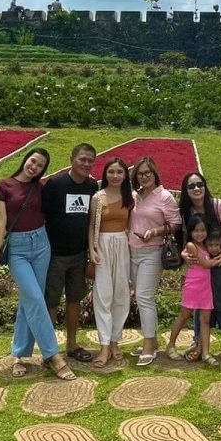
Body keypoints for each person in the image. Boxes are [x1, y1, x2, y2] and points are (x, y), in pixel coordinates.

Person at [0, 147, 75, 380]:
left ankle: (19, 355)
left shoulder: (40, 188)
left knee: (29, 301)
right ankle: (53, 355)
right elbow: (0, 219)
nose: (34, 167)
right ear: (26, 159)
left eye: (40, 165)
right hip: (18, 249)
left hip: (41, 244)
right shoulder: (4, 186)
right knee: (34, 297)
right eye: (33, 161)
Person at [41, 143, 98, 362]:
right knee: (52, 301)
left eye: (90, 161)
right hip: (55, 255)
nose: (86, 164)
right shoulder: (55, 184)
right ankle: (49, 350)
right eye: (82, 159)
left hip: (79, 255)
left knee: (75, 300)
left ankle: (72, 345)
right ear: (72, 158)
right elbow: (42, 214)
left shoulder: (92, 187)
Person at [179, 170, 221, 361]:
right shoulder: (187, 211)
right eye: (191, 186)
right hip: (205, 256)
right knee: (202, 295)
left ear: (205, 186)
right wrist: (184, 253)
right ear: (186, 190)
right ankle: (198, 340)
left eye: (199, 184)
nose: (196, 188)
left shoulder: (217, 204)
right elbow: (187, 238)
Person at [127, 156, 181, 367]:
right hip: (132, 250)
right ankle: (152, 339)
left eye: (148, 172)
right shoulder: (134, 195)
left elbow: (175, 223)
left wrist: (156, 231)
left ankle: (149, 344)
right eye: (140, 173)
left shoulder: (164, 196)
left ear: (155, 173)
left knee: (144, 297)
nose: (145, 176)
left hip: (153, 251)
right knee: (139, 297)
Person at [88, 157, 134, 368]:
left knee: (121, 295)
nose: (115, 176)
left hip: (122, 245)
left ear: (125, 175)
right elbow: (91, 227)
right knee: (103, 295)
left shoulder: (130, 197)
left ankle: (115, 340)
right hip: (103, 246)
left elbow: (133, 225)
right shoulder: (98, 197)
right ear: (105, 174)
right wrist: (92, 250)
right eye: (111, 172)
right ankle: (104, 345)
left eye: (119, 172)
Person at [165, 214, 217, 364]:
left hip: (206, 287)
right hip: (193, 286)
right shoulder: (191, 246)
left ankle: (206, 352)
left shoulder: (205, 245)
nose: (199, 234)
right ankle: (171, 345)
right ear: (190, 232)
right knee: (184, 315)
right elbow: (206, 264)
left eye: (202, 230)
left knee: (205, 320)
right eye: (196, 231)